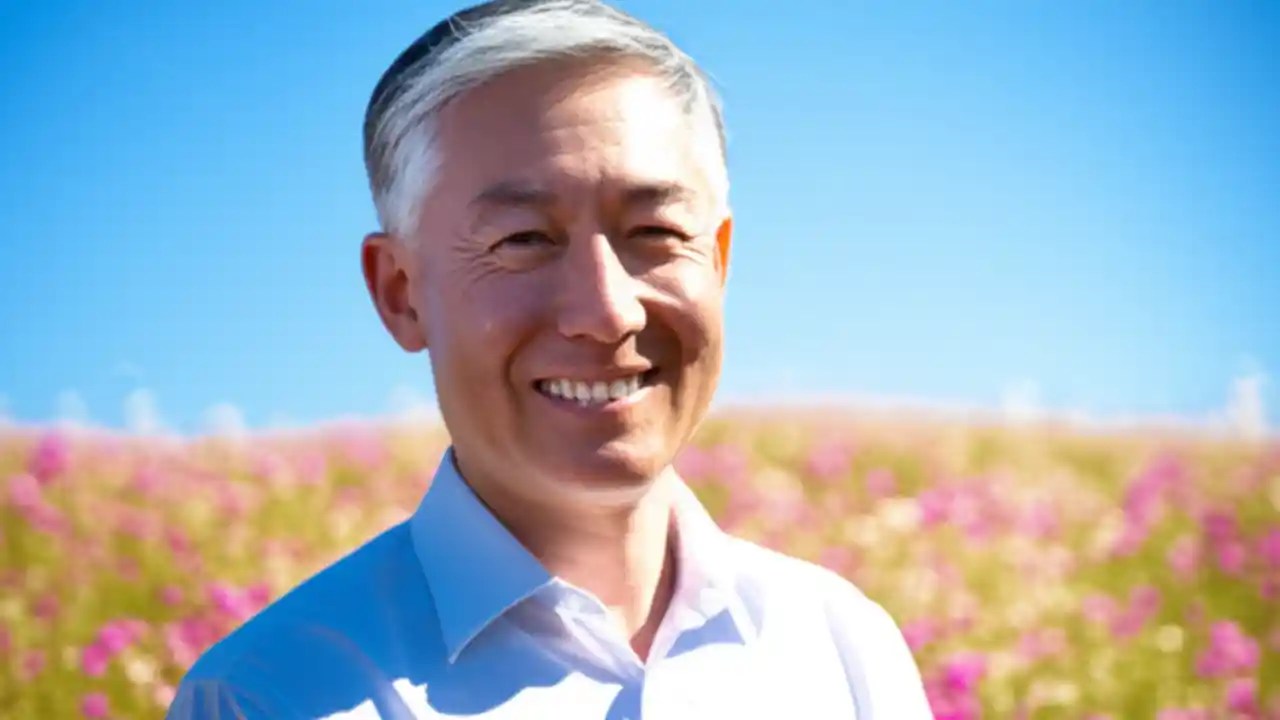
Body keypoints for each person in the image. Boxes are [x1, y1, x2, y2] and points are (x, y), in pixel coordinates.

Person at [167, 1, 932, 717]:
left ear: (720, 262)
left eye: (656, 234)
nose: (607, 312)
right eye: (525, 240)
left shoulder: (841, 648)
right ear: (400, 292)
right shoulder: (266, 697)